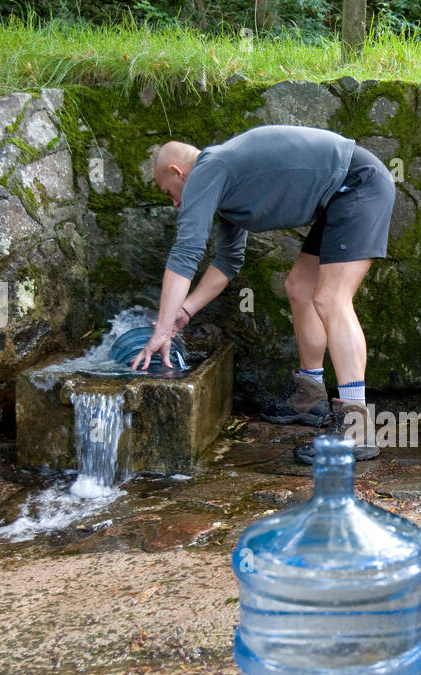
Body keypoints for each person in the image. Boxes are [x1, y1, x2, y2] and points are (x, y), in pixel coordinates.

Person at [133, 124, 395, 463]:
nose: (175, 203)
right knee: (300, 287)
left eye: (170, 192)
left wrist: (161, 329)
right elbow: (228, 262)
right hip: (340, 196)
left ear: (177, 171)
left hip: (357, 184)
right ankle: (310, 395)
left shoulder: (210, 167)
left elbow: (187, 251)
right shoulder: (225, 185)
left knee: (331, 298)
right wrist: (183, 312)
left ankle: (356, 429)